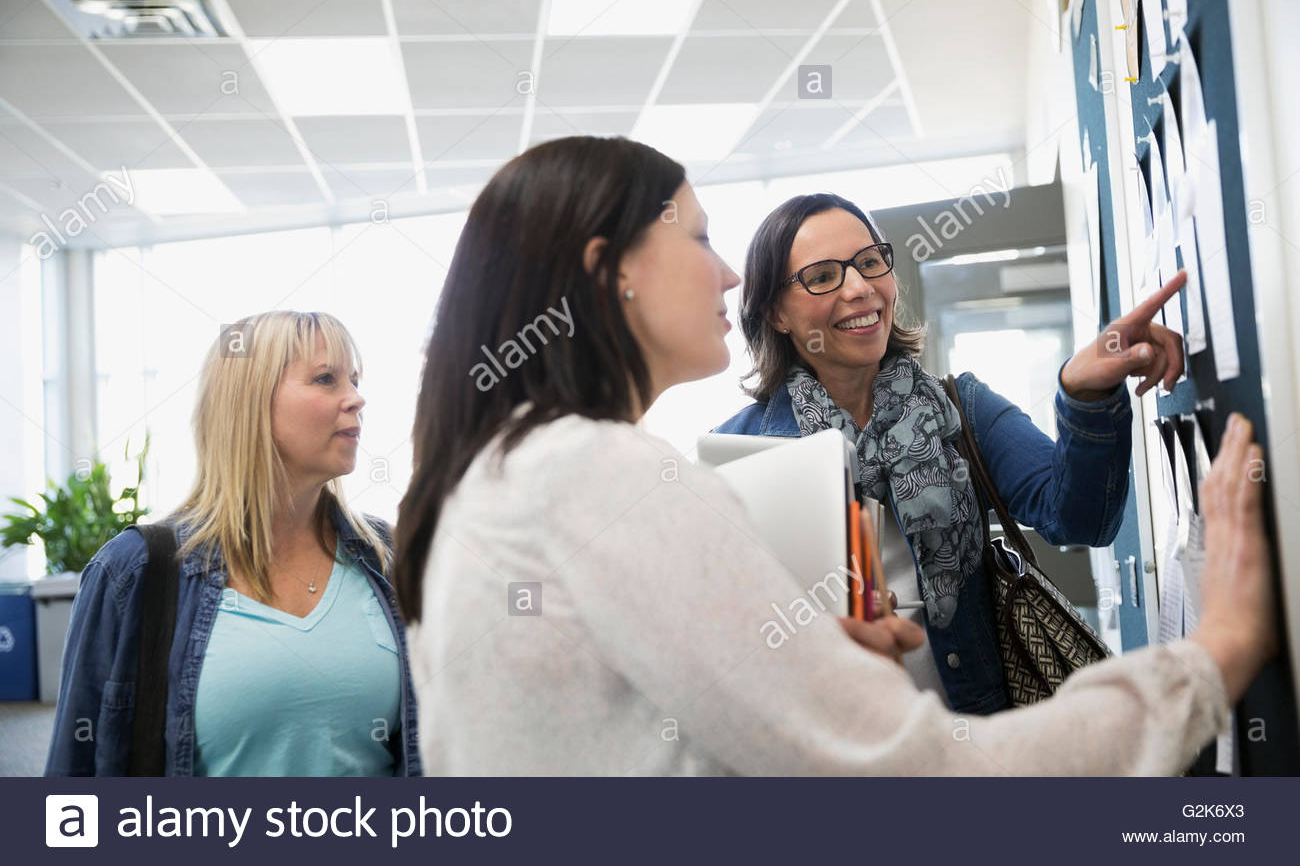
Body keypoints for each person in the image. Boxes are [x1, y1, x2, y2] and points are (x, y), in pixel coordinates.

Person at [396, 135, 1275, 776]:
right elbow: (913, 777)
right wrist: (1221, 649)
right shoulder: (622, 477)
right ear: (610, 271)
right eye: (699, 240)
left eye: (870, 263)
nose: (726, 274)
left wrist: (820, 673)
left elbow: (658, 731)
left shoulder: (506, 477)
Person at [714, 192, 1187, 712]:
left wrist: (1084, 392)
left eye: (870, 263)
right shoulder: (743, 455)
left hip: (976, 737)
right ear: (777, 312)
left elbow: (1081, 519)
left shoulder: (961, 408)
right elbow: (726, 640)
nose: (859, 288)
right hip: (832, 748)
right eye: (823, 276)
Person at [45, 311, 420, 776]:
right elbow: (73, 783)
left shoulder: (385, 556)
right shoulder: (134, 571)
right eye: (326, 379)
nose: (357, 399)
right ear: (250, 403)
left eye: (355, 379)